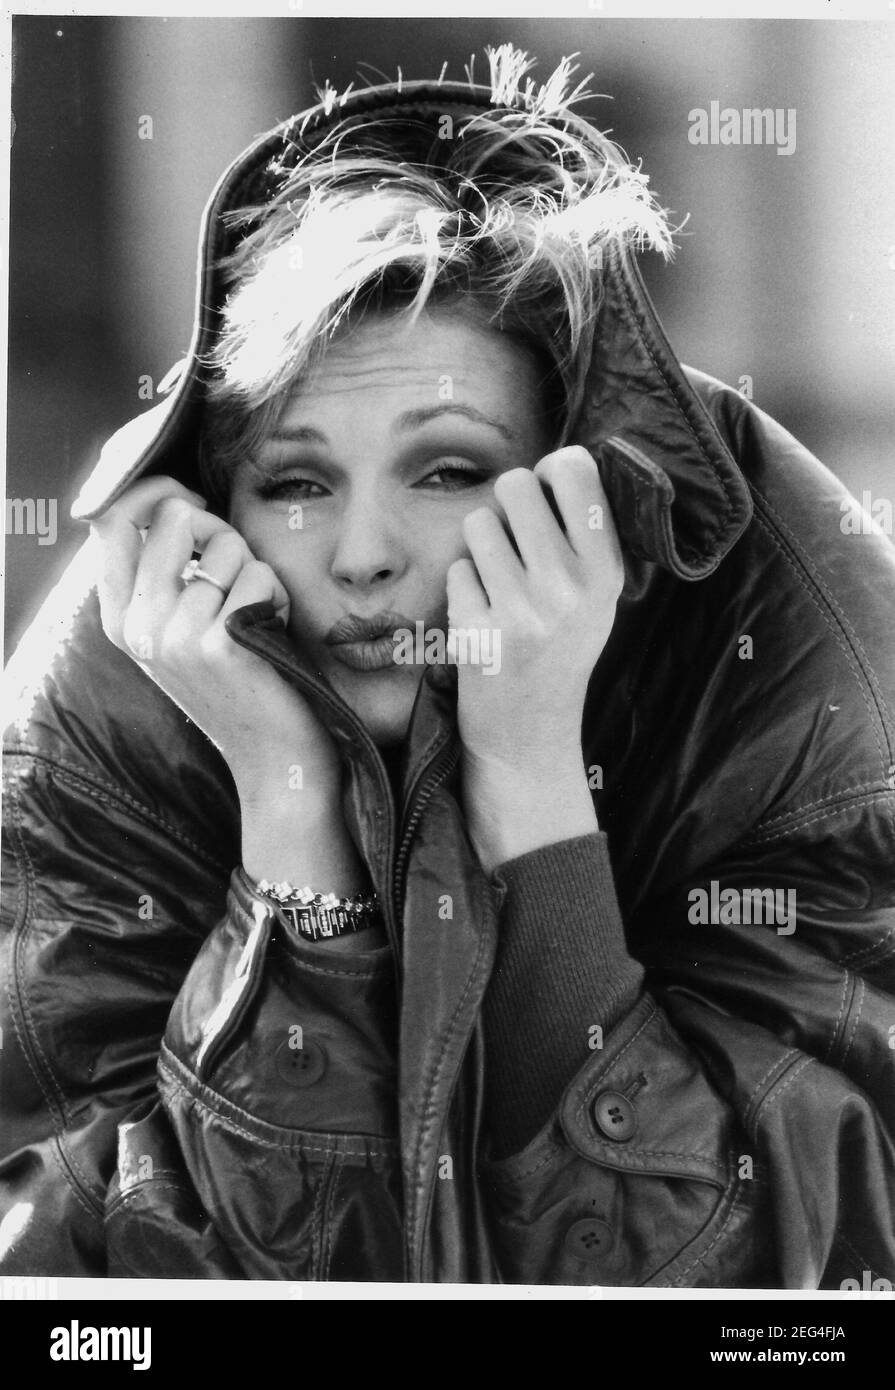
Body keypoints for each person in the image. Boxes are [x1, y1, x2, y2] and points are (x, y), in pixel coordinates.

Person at [2, 46, 894, 1287]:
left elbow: (759, 1304)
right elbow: (97, 1307)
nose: (362, 558)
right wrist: (288, 814)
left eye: (449, 470)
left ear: (587, 492)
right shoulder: (105, 745)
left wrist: (532, 784)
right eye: (297, 483)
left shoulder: (792, 723)